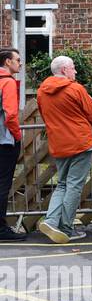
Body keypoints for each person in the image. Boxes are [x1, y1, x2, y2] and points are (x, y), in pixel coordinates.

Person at [36, 56, 92, 243]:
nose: (76, 71)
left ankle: (51, 220)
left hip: (58, 143)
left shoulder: (42, 92)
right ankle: (66, 228)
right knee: (74, 186)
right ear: (64, 70)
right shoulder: (76, 89)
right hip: (80, 142)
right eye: (73, 68)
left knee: (62, 184)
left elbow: (44, 116)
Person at [0, 49, 25, 240]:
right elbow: (10, 115)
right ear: (8, 62)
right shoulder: (7, 82)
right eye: (17, 60)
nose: (20, 63)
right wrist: (17, 136)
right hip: (4, 141)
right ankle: (1, 228)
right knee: (2, 185)